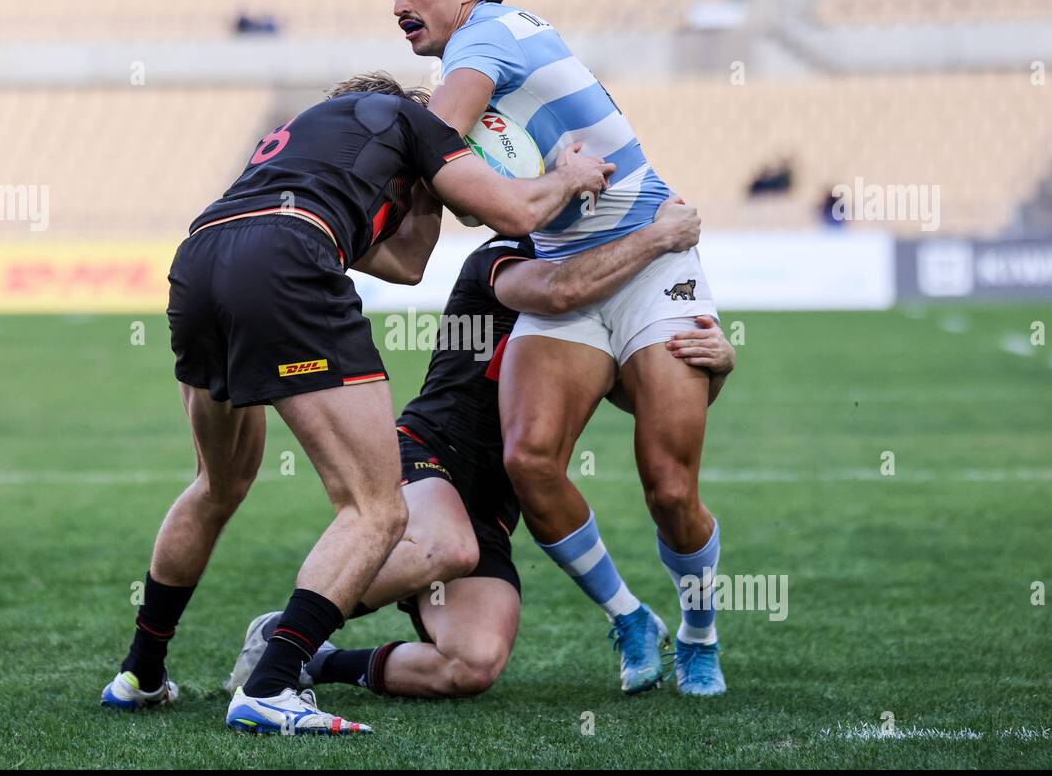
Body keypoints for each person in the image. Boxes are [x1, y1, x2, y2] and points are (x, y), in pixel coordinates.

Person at [100, 72, 614, 735]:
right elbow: (514, 214)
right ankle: (273, 684)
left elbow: (405, 265)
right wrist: (569, 175)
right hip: (288, 260)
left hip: (201, 257)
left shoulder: (324, 138)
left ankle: (140, 674)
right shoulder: (411, 120)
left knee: (216, 484)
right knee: (376, 507)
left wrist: (431, 186)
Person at [382, 0, 730, 695]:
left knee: (670, 485)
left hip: (649, 257)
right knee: (530, 458)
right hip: (567, 265)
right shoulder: (497, 50)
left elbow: (432, 142)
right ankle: (630, 617)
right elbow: (493, 209)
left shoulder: (483, 41)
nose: (399, 6)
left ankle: (700, 633)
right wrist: (555, 183)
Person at [224, 200, 736, 699]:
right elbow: (560, 290)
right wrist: (657, 237)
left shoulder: (614, 294)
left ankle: (320, 661)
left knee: (472, 665)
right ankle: (284, 641)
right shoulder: (505, 256)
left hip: (490, 511)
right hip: (429, 455)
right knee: (446, 547)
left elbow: (641, 394)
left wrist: (713, 366)